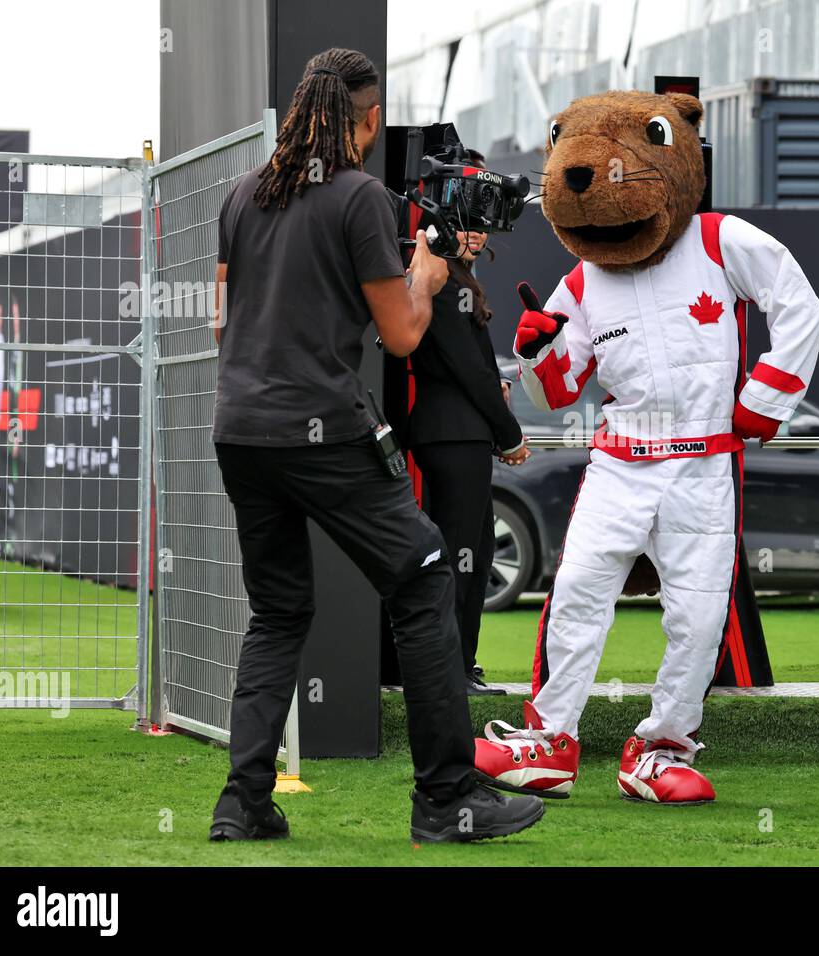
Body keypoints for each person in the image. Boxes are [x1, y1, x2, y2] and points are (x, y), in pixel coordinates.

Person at [206, 47, 544, 844]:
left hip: (240, 431)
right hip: (318, 429)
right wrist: (425, 275)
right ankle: (447, 798)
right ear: (362, 121)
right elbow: (400, 337)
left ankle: (243, 803)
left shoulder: (240, 195)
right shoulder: (359, 199)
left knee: (278, 612)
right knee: (425, 581)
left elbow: (221, 324)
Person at [406, 155, 529, 696]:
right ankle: (452, 670)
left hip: (451, 434)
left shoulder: (445, 271)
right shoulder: (438, 274)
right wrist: (511, 434)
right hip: (454, 436)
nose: (480, 234)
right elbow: (470, 371)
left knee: (467, 552)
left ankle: (457, 666)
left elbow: (475, 371)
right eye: (472, 223)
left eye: (486, 225)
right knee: (462, 554)